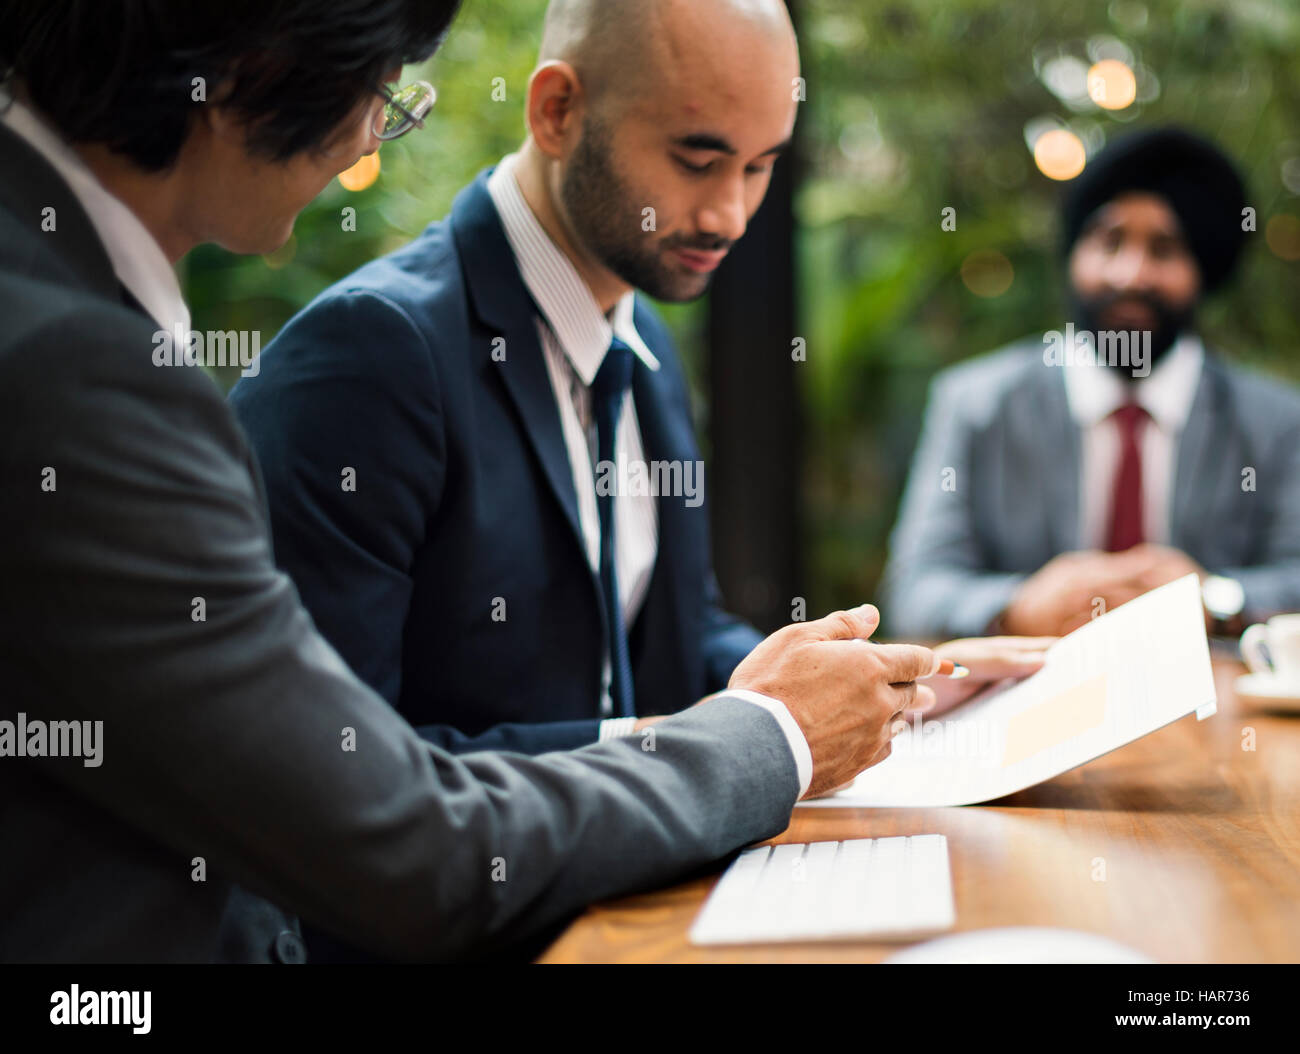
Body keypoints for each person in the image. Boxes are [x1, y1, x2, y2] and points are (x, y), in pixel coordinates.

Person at [0, 0, 944, 964]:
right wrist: (764, 738)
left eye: (762, 166)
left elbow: (671, 633)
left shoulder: (642, 338)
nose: (373, 130)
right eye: (378, 86)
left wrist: (871, 686)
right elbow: (370, 813)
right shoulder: (216, 358)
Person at [884, 127, 1300, 640]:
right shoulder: (977, 403)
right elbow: (915, 589)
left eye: (1165, 249)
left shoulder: (1275, 421)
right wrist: (1018, 606)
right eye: (1110, 241)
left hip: (1212, 711)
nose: (1130, 274)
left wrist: (1215, 598)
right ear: (1075, 253)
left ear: (1202, 272)